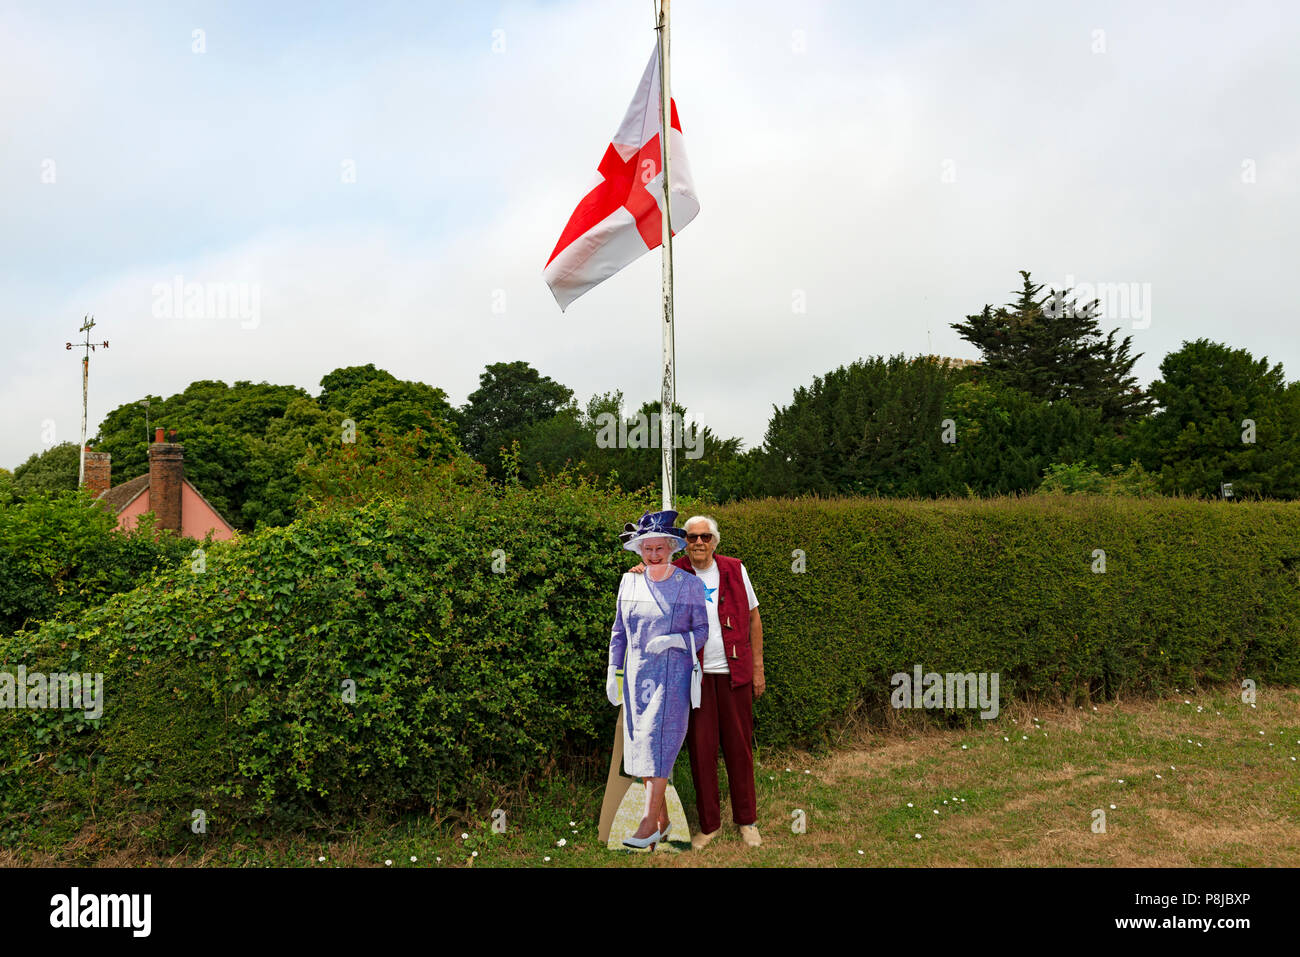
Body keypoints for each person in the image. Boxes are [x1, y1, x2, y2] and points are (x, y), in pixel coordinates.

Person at [630, 514, 764, 849]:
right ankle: (709, 825)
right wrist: (638, 573)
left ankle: (747, 821)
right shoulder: (676, 574)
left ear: (715, 541)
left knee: (739, 749)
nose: (699, 543)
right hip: (694, 678)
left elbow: (753, 617)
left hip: (734, 674)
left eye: (705, 537)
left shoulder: (735, 569)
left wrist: (758, 667)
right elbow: (650, 584)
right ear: (683, 544)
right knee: (701, 752)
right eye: (692, 538)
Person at [606, 509, 709, 850]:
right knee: (642, 746)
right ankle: (663, 822)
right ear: (639, 550)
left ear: (672, 548)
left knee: (658, 744)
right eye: (647, 549)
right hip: (637, 677)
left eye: (659, 549)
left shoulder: (690, 585)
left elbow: (702, 630)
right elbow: (619, 631)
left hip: (673, 677)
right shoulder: (629, 581)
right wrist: (613, 670)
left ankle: (648, 824)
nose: (653, 555)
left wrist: (675, 641)